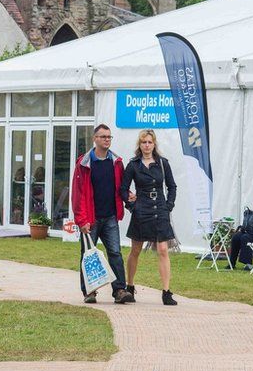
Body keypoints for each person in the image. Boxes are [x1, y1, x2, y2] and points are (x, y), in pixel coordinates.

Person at [71, 124, 133, 304]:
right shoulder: (83, 164)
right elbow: (78, 194)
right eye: (103, 136)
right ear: (94, 139)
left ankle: (119, 290)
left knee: (115, 253)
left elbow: (121, 188)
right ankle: (89, 292)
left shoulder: (116, 163)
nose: (107, 140)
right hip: (91, 219)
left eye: (109, 137)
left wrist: (129, 197)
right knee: (88, 255)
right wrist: (81, 220)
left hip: (110, 217)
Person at [120, 129, 178, 306]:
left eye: (149, 142)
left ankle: (166, 292)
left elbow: (172, 186)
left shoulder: (162, 163)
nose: (146, 145)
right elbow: (122, 189)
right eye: (144, 142)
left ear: (154, 144)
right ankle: (130, 285)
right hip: (141, 210)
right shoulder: (133, 165)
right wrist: (132, 206)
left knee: (162, 249)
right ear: (140, 144)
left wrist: (168, 206)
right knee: (135, 249)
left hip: (160, 209)